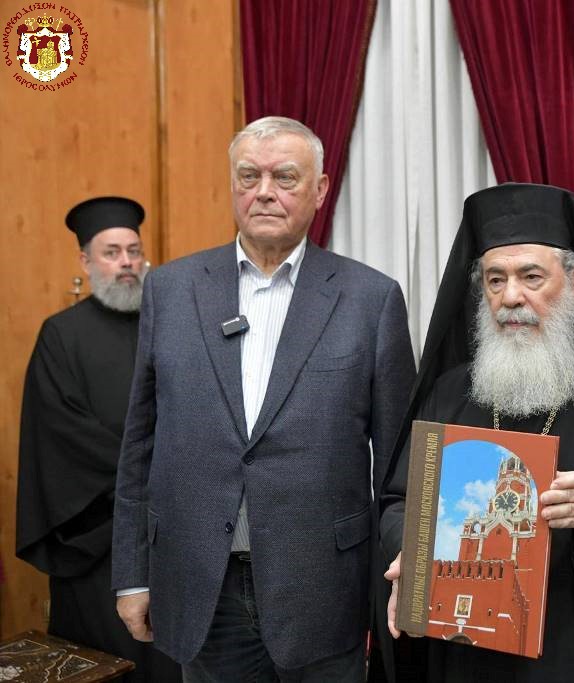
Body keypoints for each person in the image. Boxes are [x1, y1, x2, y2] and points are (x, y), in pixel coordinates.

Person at [111, 116, 416, 682]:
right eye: (249, 176)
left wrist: (397, 579)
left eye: (286, 177)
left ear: (320, 190)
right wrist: (133, 574)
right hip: (203, 586)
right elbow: (140, 445)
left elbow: (400, 466)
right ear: (232, 184)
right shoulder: (171, 291)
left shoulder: (371, 299)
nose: (264, 192)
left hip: (324, 591)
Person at [379, 183, 574, 682]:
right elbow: (397, 501)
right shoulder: (451, 393)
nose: (511, 297)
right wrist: (410, 547)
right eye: (496, 280)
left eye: (531, 276)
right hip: (463, 652)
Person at [16, 196, 180, 681]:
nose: (127, 262)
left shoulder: (169, 325)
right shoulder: (61, 336)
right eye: (112, 252)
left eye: (133, 250)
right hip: (97, 536)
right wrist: (147, 474)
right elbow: (63, 438)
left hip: (172, 529)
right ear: (85, 261)